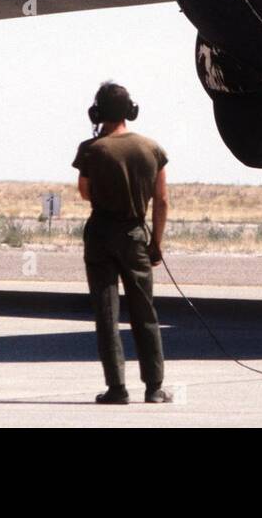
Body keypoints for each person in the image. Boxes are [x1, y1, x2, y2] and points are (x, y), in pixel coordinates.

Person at [73, 82, 172, 404]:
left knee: (106, 313)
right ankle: (154, 387)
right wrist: (155, 243)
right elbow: (162, 200)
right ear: (131, 110)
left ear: (97, 112)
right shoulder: (152, 149)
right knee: (145, 313)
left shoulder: (91, 149)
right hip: (134, 236)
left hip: (101, 233)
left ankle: (116, 388)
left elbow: (84, 191)